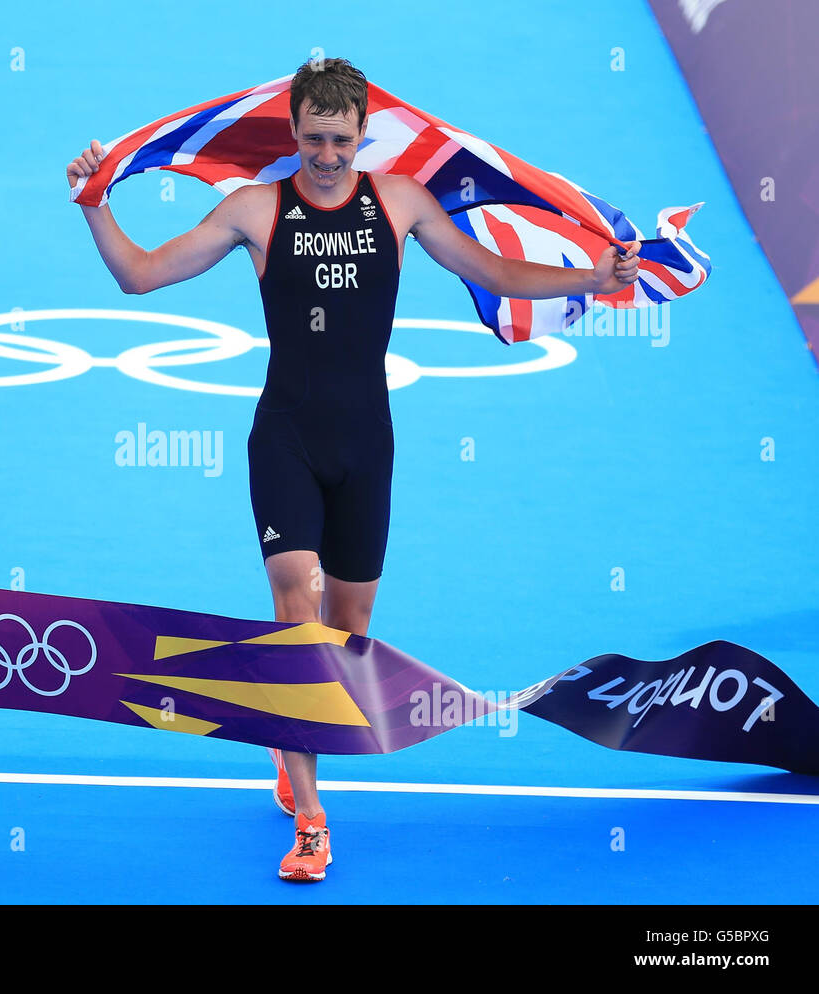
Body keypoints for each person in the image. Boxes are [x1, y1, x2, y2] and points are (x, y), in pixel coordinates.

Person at [66, 57, 639, 882]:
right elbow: (140, 275)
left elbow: (497, 274)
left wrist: (593, 277)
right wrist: (96, 206)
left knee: (347, 643)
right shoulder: (256, 212)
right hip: (285, 440)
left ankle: (291, 742)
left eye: (340, 140)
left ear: (364, 135)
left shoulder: (399, 203)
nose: (327, 154)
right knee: (296, 624)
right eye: (312, 140)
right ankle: (310, 819)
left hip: (367, 446)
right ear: (291, 133)